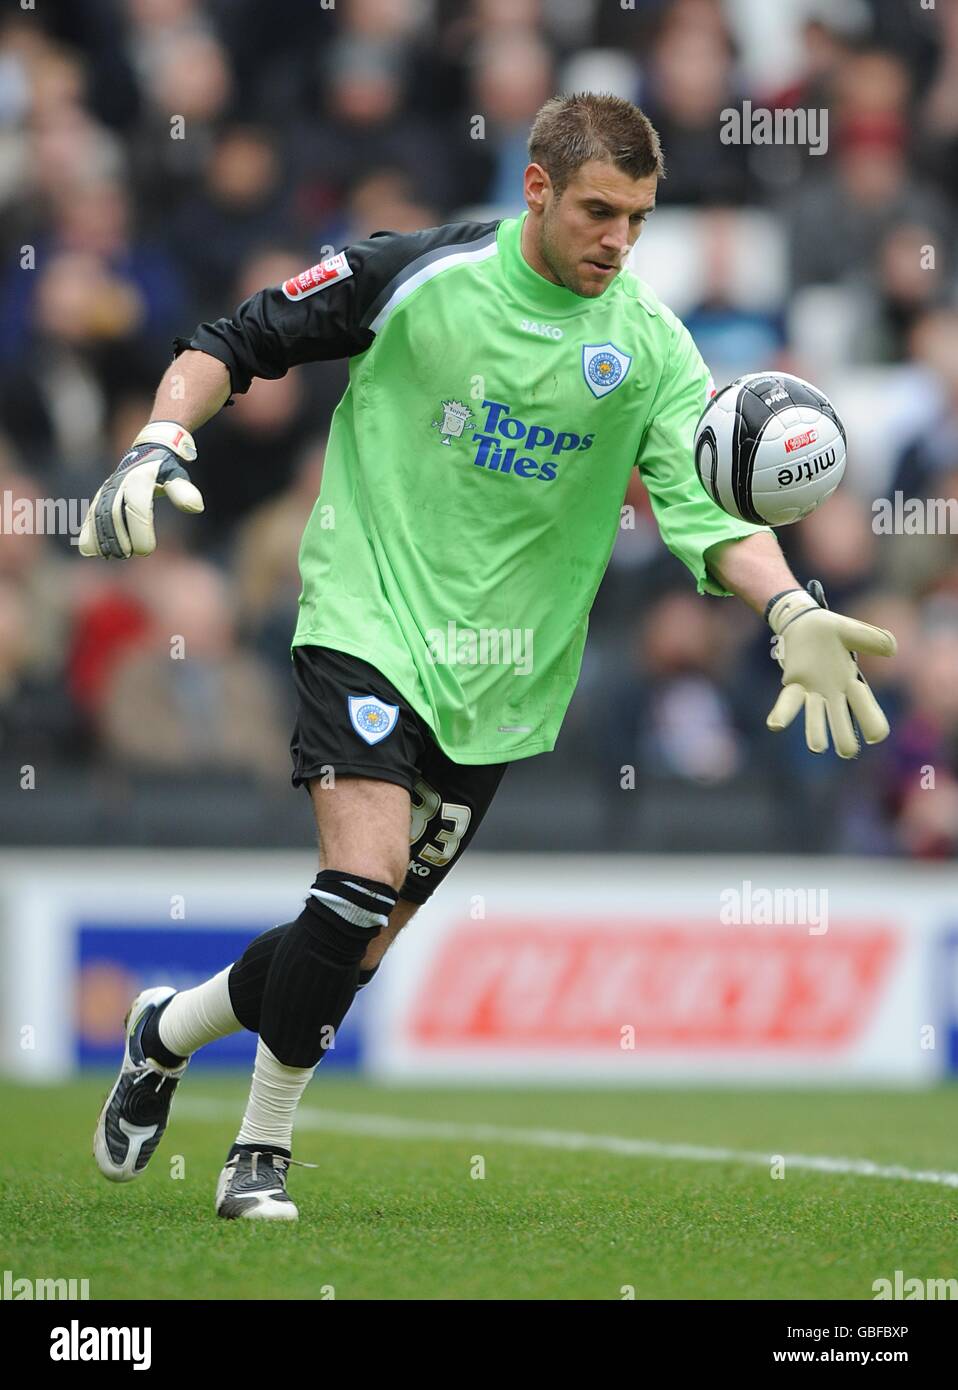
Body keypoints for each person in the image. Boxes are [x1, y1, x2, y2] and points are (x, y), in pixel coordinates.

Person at [79, 93, 897, 1222]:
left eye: (638, 219)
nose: (617, 239)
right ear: (538, 188)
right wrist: (160, 435)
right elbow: (235, 341)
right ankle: (258, 1150)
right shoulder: (417, 274)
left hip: (504, 679)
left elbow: (704, 513)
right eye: (599, 211)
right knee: (358, 883)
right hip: (366, 617)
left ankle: (163, 1029)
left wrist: (792, 608)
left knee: (352, 943)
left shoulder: (652, 348)